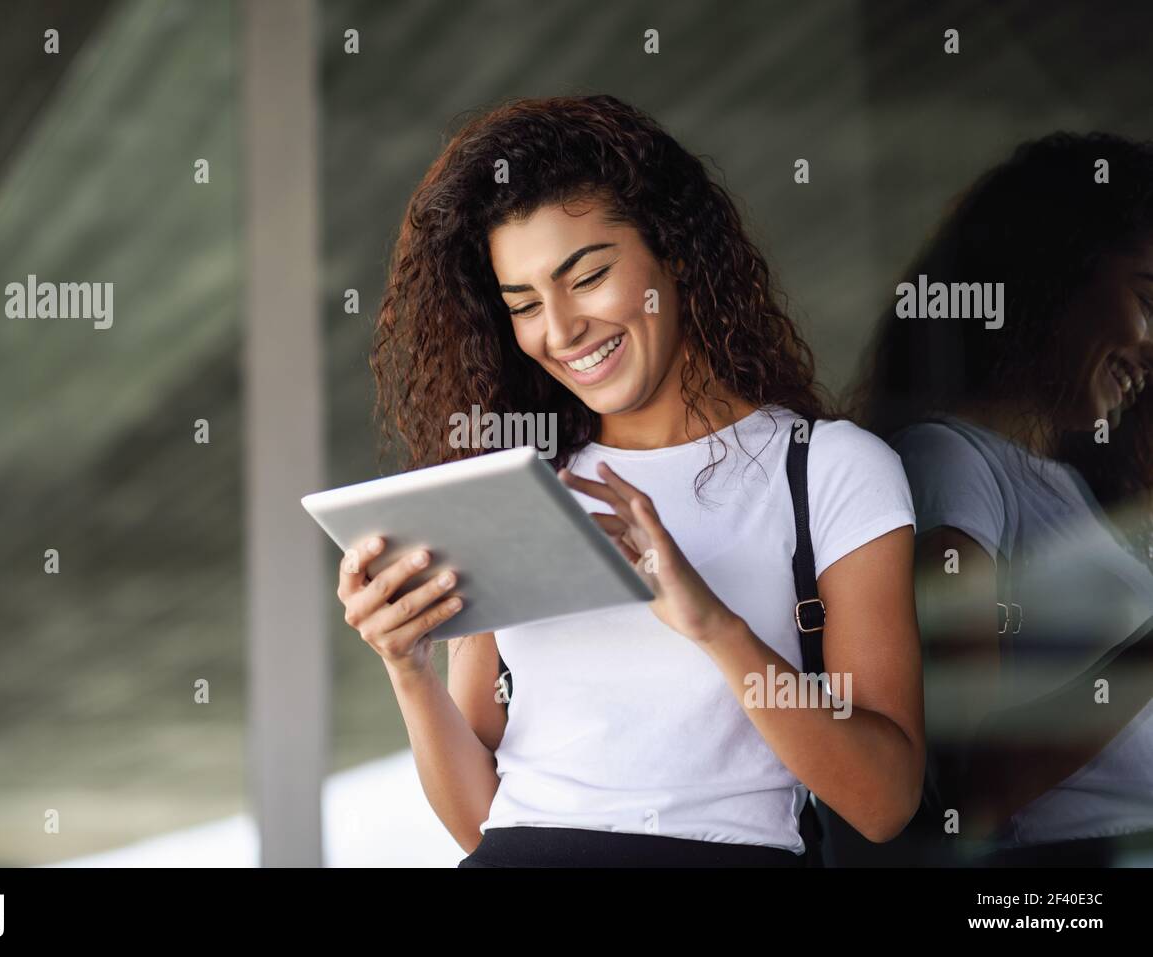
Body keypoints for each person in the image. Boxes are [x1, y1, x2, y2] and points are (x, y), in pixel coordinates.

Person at [340, 94, 924, 867]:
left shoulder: (828, 469)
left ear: (675, 254)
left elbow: (884, 801)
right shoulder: (519, 485)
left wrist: (711, 622)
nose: (560, 329)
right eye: (523, 304)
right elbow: (482, 823)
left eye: (587, 276)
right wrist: (407, 667)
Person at [850, 132, 1153, 866]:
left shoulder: (1075, 487)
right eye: (1147, 298)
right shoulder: (946, 459)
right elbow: (971, 778)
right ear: (1054, 275)